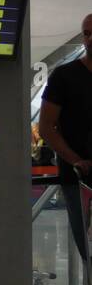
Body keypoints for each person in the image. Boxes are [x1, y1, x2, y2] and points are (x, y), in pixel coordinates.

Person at [38, 15, 92, 264]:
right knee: (88, 249)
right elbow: (47, 127)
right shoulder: (64, 76)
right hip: (78, 177)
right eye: (87, 33)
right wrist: (76, 160)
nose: (90, 39)